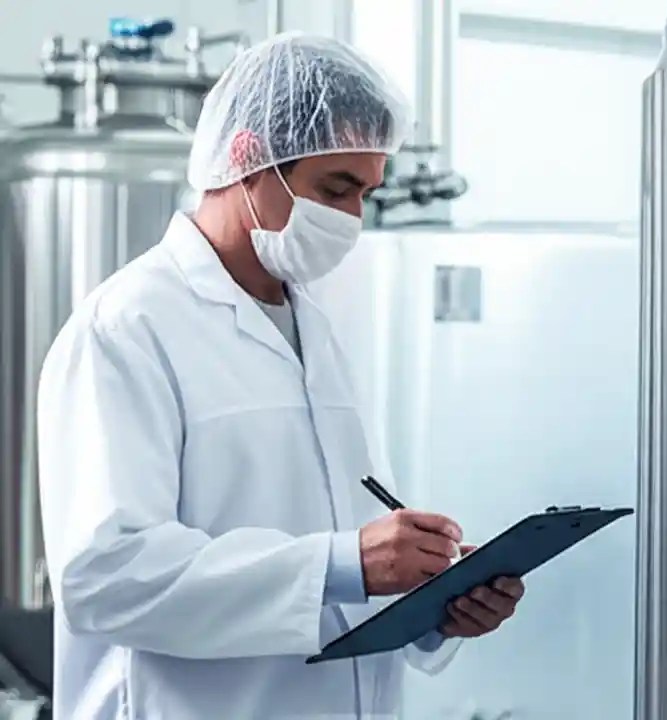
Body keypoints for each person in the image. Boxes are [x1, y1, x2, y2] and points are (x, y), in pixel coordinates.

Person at [36, 33, 524, 719]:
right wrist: (344, 563)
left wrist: (434, 605)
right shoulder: (127, 327)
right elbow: (105, 577)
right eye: (337, 188)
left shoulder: (317, 328)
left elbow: (348, 547)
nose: (352, 218)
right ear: (247, 158)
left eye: (366, 193)